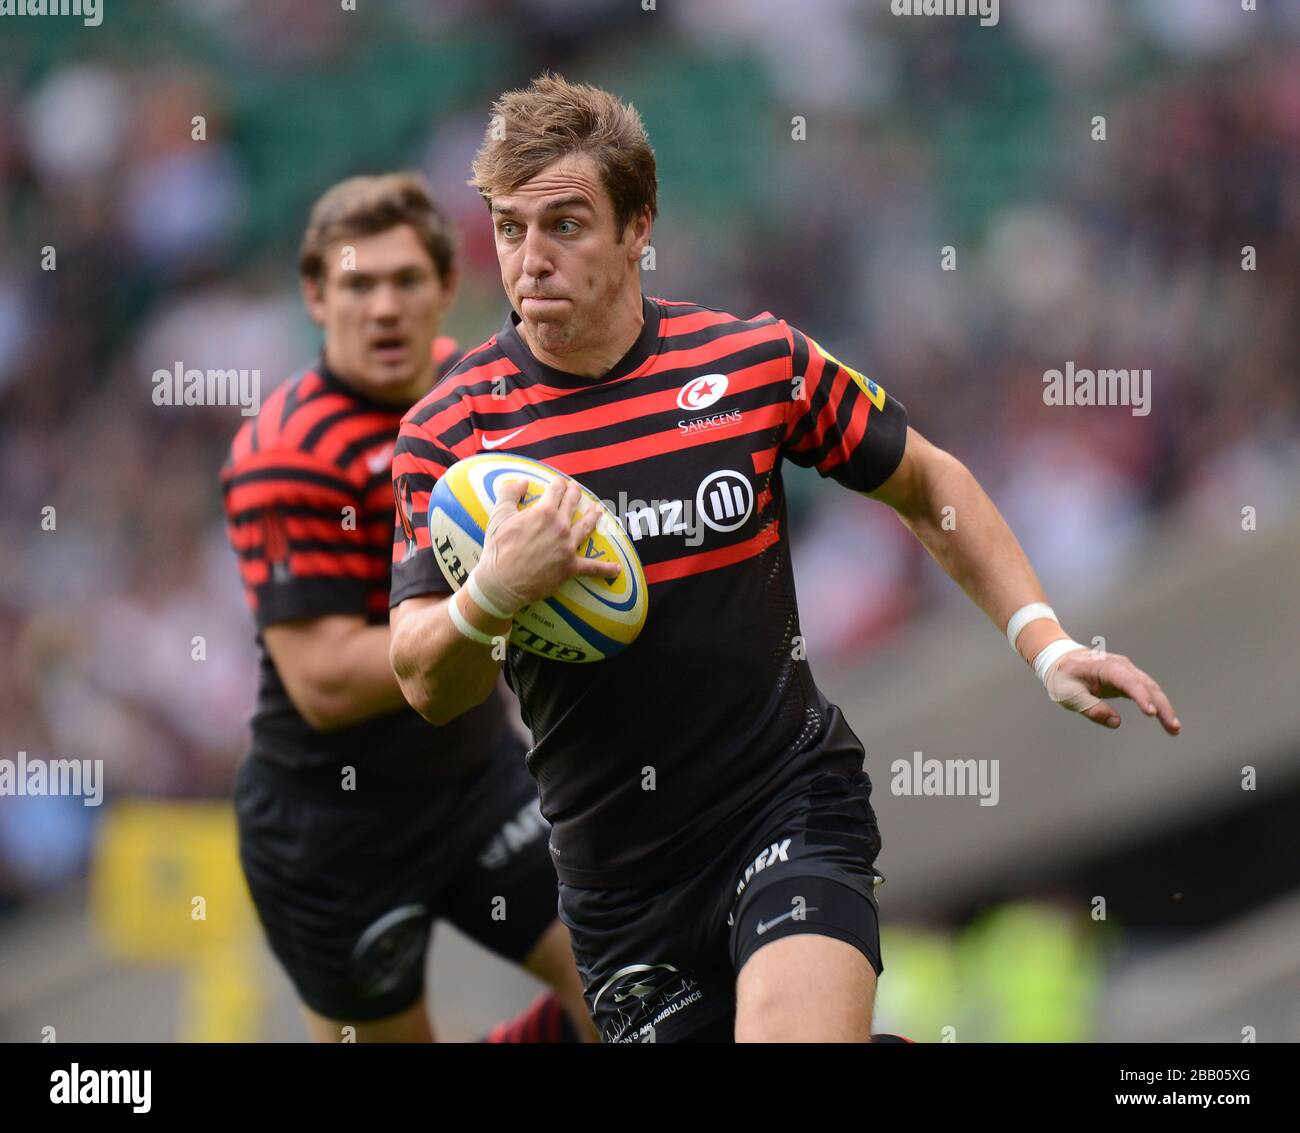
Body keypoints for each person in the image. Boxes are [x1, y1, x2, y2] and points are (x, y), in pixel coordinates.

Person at [388, 77, 1181, 1043]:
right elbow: (427, 676)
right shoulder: (452, 435)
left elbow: (928, 485)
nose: (532, 260)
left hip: (786, 807)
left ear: (641, 225)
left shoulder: (754, 363)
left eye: (566, 224)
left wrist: (1047, 645)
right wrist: (494, 595)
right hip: (618, 883)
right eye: (511, 229)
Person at [220, 172, 594, 1042]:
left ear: (446, 289)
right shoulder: (285, 453)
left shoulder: (483, 397)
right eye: (358, 283)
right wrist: (491, 603)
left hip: (475, 779)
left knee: (631, 988)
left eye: (406, 281)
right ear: (316, 296)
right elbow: (323, 683)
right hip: (330, 834)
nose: (384, 307)